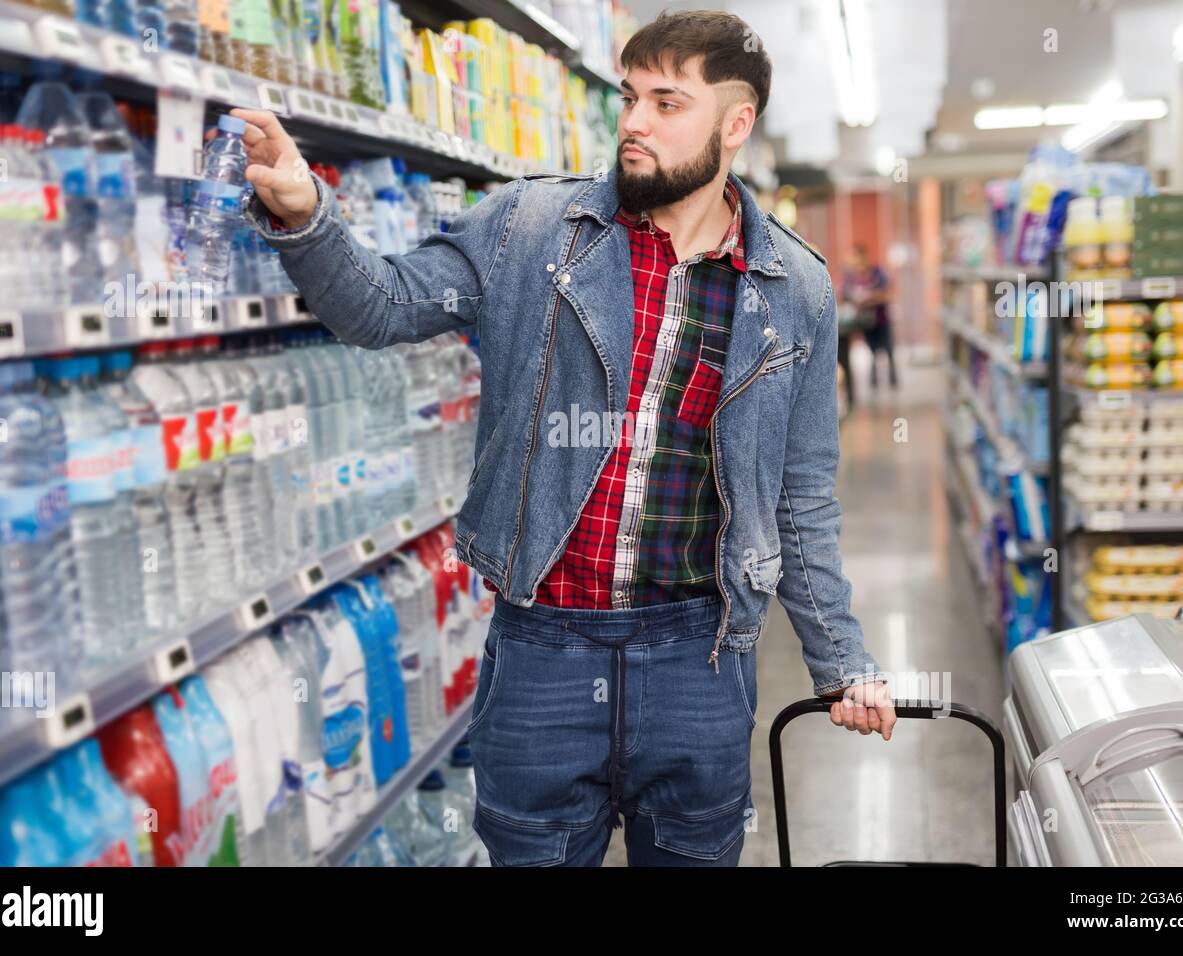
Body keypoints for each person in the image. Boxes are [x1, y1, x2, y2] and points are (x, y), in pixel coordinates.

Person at [232, 8, 893, 868]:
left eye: (666, 102)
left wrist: (841, 661)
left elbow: (799, 498)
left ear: (736, 126)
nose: (635, 123)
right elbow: (380, 305)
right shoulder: (531, 228)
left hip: (701, 656)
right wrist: (307, 212)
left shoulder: (794, 286)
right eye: (629, 98)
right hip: (545, 649)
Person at [844, 243, 898, 389]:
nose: (854, 260)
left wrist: (870, 298)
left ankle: (893, 382)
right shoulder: (851, 276)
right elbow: (844, 294)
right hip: (866, 322)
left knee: (888, 350)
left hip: (882, 319)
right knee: (872, 351)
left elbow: (888, 293)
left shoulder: (877, 272)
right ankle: (874, 383)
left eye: (856, 256)